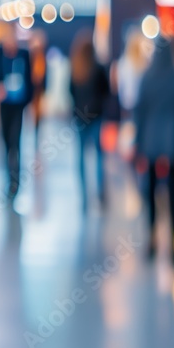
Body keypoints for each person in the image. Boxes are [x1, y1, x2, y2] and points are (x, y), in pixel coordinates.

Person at [134, 37, 174, 267]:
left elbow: (139, 112)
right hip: (173, 142)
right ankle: (173, 246)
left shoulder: (146, 78)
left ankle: (152, 238)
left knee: (150, 192)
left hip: (149, 142)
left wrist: (137, 144)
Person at [69, 30, 111, 212]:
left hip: (80, 117)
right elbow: (107, 92)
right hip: (96, 116)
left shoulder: (76, 69)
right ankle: (100, 193)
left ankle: (84, 195)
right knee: (99, 155)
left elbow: (70, 92)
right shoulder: (99, 68)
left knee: (81, 156)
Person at [0, 23, 34, 200]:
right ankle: (7, 177)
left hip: (18, 106)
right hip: (4, 106)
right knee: (5, 143)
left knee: (15, 142)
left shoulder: (24, 56)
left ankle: (15, 182)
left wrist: (27, 100)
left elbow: (32, 81)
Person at [29, 31, 49, 143]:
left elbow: (44, 76)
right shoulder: (30, 57)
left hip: (39, 91)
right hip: (32, 91)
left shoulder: (43, 58)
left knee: (38, 115)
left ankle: (36, 132)